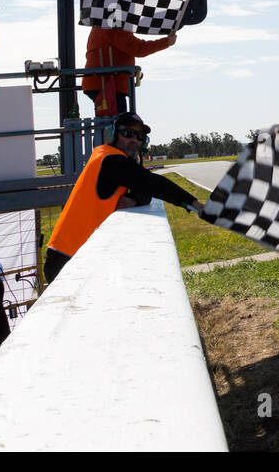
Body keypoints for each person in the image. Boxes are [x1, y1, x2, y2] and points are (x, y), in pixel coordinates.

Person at [43, 112, 202, 285]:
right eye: (127, 133)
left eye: (140, 136)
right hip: (69, 258)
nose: (134, 139)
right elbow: (154, 184)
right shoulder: (111, 160)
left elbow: (144, 186)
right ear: (112, 135)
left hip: (74, 254)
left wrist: (135, 199)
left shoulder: (105, 155)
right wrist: (194, 204)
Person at [81, 25, 177, 118]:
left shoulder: (104, 23)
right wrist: (166, 42)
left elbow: (113, 52)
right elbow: (138, 48)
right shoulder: (113, 24)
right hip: (107, 85)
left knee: (111, 123)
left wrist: (130, 72)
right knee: (116, 125)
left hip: (103, 83)